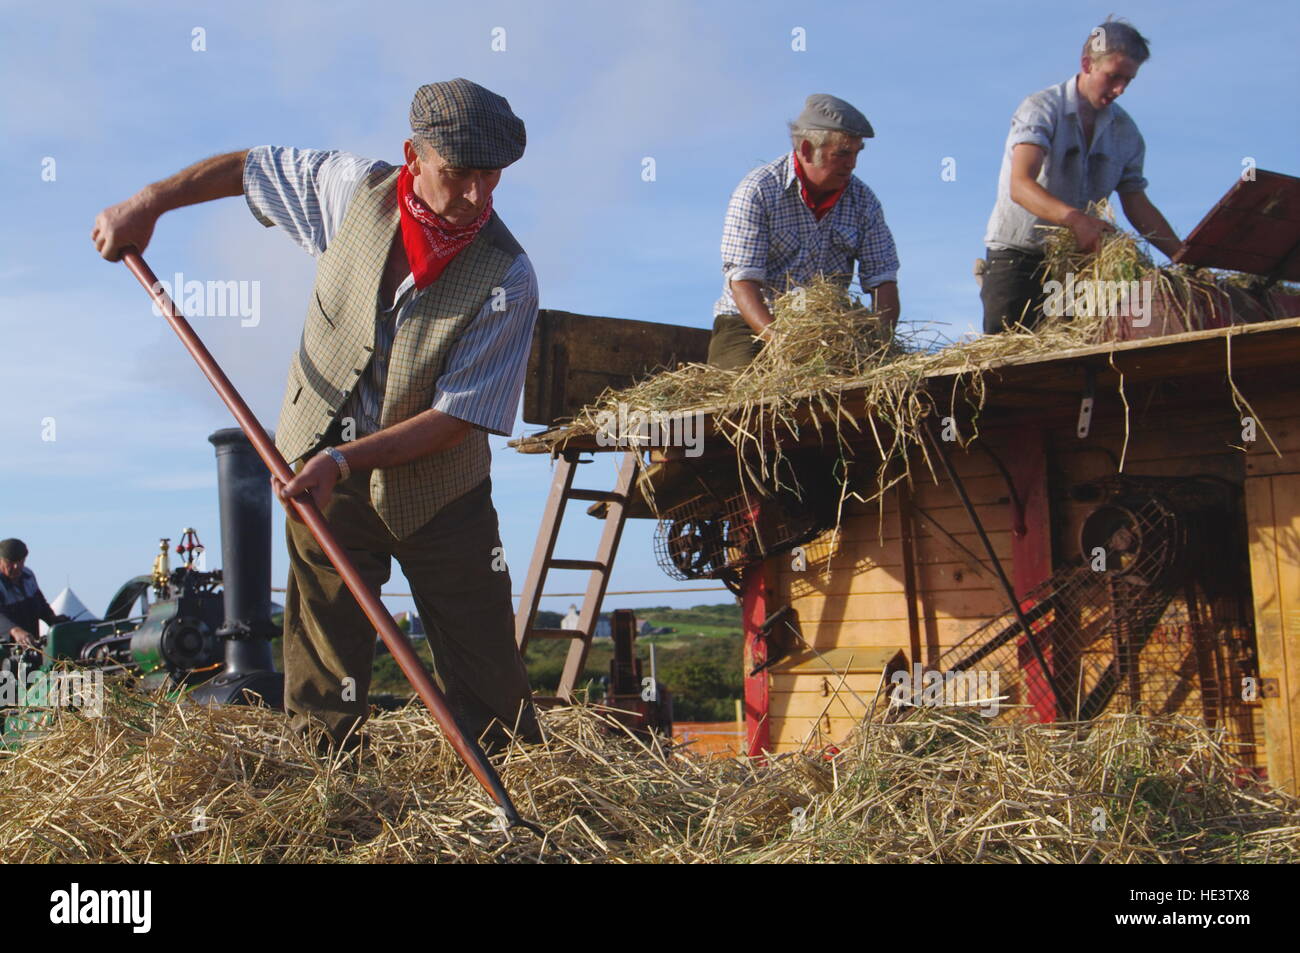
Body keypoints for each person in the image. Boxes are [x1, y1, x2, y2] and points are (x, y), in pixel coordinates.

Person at [92, 79, 541, 754]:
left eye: (491, 177)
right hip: (321, 470)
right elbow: (251, 168)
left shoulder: (509, 276)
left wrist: (345, 460)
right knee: (326, 676)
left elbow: (457, 418)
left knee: (488, 679)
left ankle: (511, 794)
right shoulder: (348, 192)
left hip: (442, 493)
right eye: (459, 175)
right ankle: (329, 795)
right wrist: (148, 203)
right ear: (411, 156)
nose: (477, 196)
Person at [981, 18, 1181, 333]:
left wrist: (1183, 257)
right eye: (1113, 77)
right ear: (1087, 64)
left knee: (1080, 362)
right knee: (1006, 364)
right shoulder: (1041, 108)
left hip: (1078, 266)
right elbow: (1020, 185)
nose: (1119, 90)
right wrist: (1077, 221)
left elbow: (1136, 201)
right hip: (1018, 255)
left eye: (1128, 80)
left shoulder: (1126, 133)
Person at [708, 94, 901, 370]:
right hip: (749, 324)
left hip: (828, 328)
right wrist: (782, 344)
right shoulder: (758, 191)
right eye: (843, 154)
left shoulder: (863, 201)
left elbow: (883, 280)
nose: (852, 164)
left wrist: (879, 346)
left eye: (857, 154)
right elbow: (743, 282)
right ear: (808, 149)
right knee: (740, 396)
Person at [0, 538, 68, 651]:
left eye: (20, 561)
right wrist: (14, 630)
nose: (16, 566)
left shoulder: (28, 576)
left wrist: (53, 619)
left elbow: (40, 603)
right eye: (10, 563)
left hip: (30, 647)